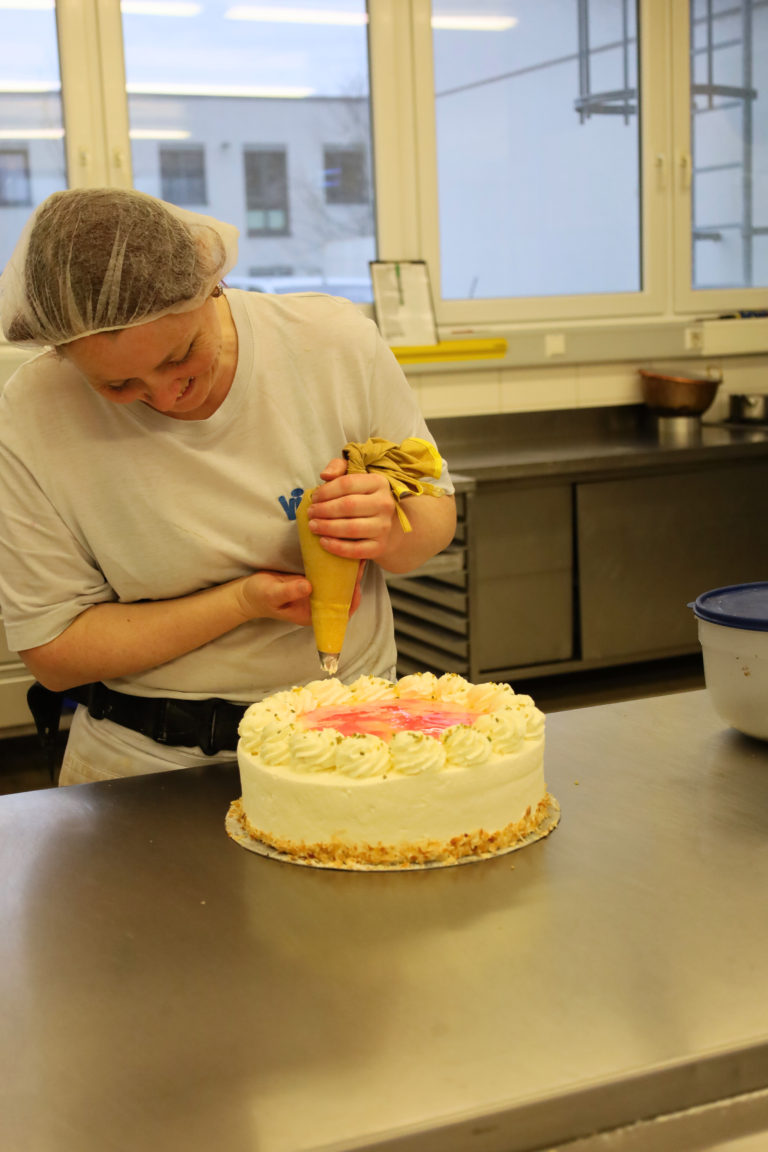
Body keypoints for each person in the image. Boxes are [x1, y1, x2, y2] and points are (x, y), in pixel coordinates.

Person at [0, 188, 456, 785]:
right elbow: (56, 654)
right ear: (63, 354)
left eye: (180, 355)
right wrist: (242, 603)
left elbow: (433, 521)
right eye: (117, 386)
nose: (164, 397)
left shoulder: (330, 344)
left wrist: (386, 529)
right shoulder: (32, 413)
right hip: (143, 766)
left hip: (351, 741)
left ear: (209, 284)